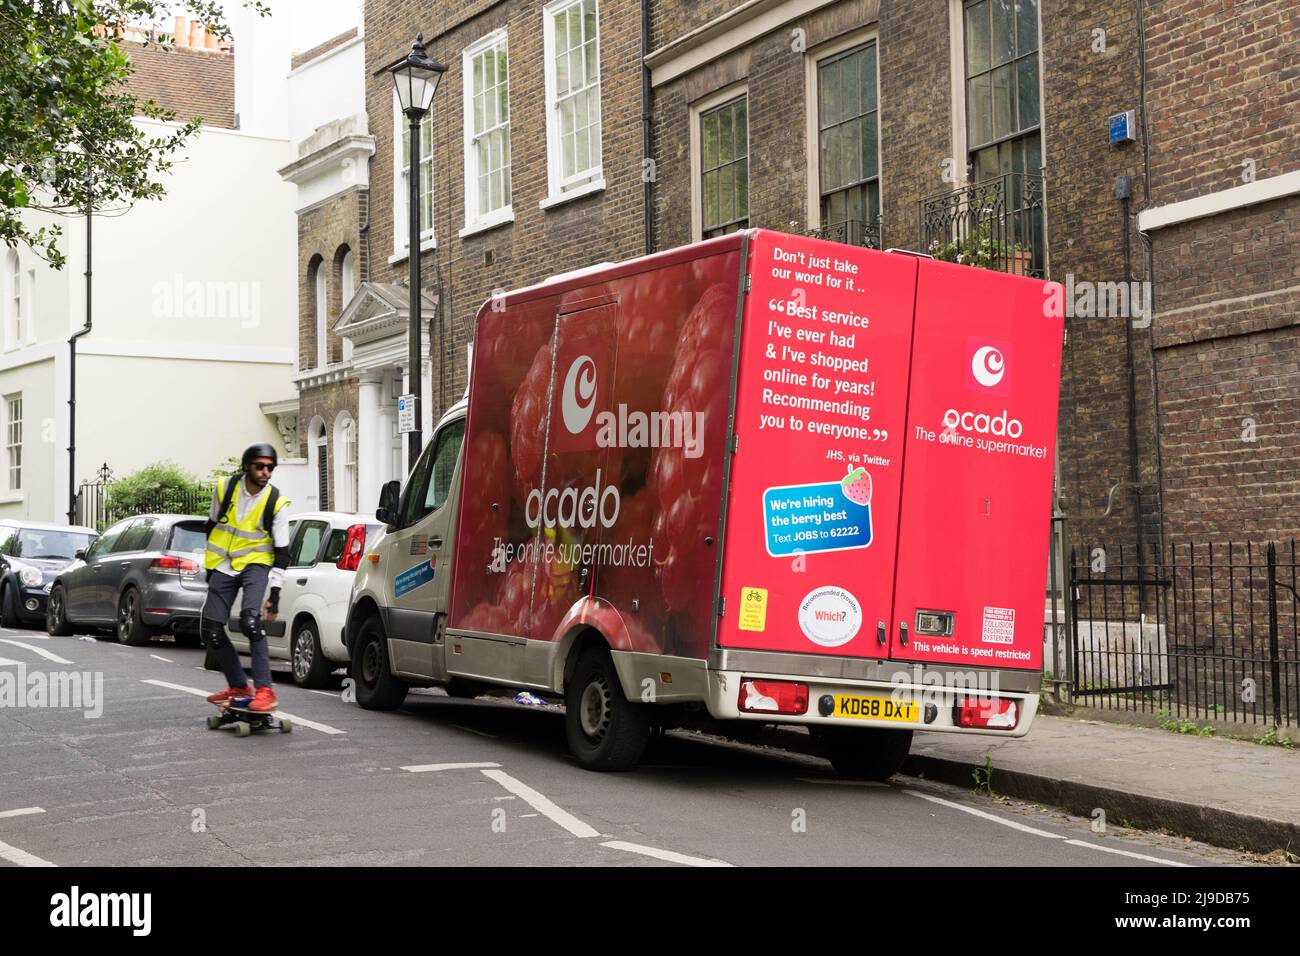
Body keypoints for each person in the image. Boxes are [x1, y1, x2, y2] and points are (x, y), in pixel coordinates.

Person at [201, 443, 292, 712]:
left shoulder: (276, 503)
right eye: (260, 466)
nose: (266, 472)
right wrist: (212, 570)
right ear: (246, 466)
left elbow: (282, 553)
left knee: (250, 621)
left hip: (257, 564)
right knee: (211, 629)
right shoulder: (224, 489)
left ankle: (265, 690)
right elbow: (212, 525)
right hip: (224, 564)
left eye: (270, 468)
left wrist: (274, 596)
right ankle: (239, 685)